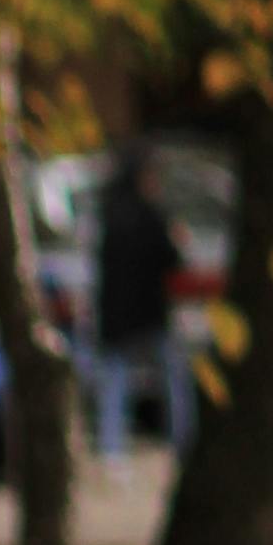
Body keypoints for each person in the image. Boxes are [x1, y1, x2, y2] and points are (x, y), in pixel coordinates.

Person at [87, 148, 186, 460]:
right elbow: (172, 259)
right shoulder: (151, 216)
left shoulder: (110, 215)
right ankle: (182, 439)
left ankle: (111, 447)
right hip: (149, 313)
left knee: (116, 382)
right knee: (173, 378)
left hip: (117, 315)